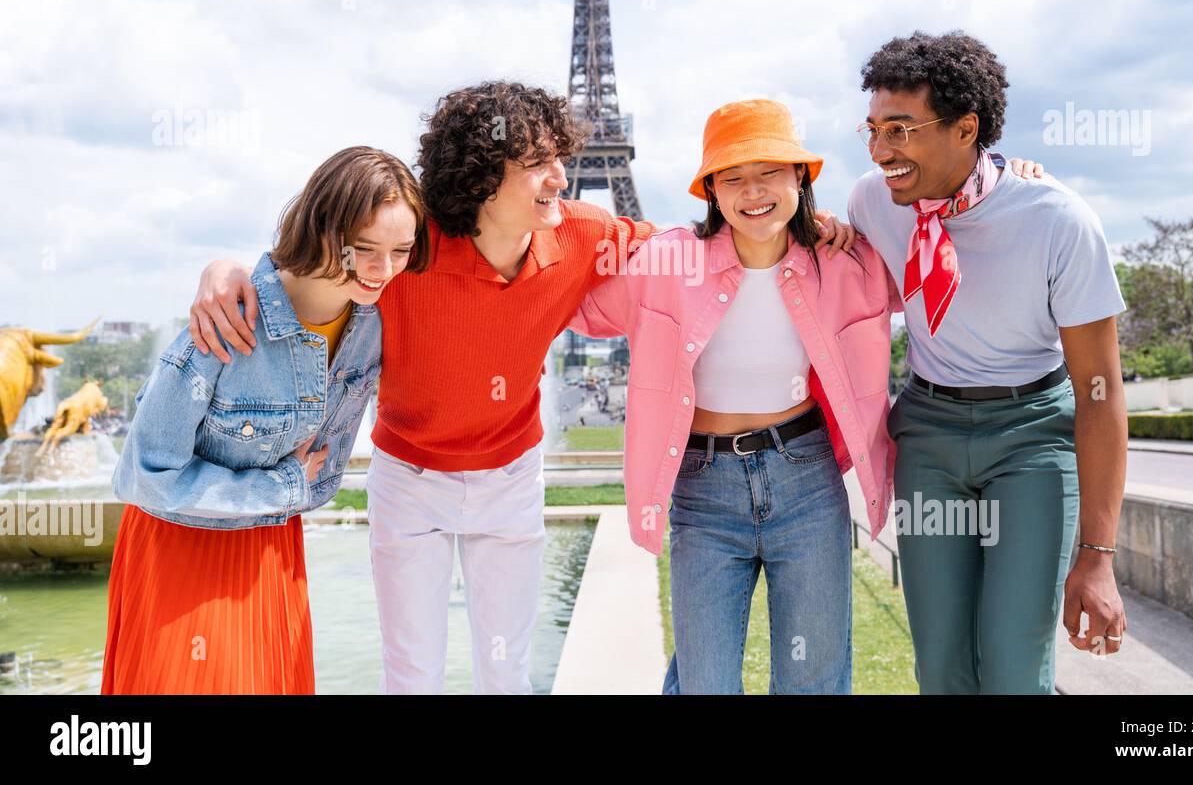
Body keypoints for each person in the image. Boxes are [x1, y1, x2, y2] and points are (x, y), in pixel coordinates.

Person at [187, 81, 855, 694]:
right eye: (539, 163)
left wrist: (797, 228)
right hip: (410, 474)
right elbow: (317, 258)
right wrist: (223, 269)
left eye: (560, 159)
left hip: (509, 475)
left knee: (505, 669)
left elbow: (690, 247)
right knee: (411, 669)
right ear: (482, 174)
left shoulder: (582, 232)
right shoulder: (411, 247)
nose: (560, 177)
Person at [569, 99, 898, 694]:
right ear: (712, 191)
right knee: (705, 682)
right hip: (705, 486)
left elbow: (934, 268)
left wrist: (1002, 171)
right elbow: (575, 304)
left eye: (769, 173)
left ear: (800, 177)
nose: (753, 192)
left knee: (813, 679)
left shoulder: (843, 261)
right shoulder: (665, 264)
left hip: (806, 480)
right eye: (734, 178)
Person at [846, 30, 1129, 694]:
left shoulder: (1056, 220)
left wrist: (1098, 555)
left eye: (900, 130)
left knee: (1012, 666)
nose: (881, 150)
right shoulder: (871, 201)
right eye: (872, 130)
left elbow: (1099, 392)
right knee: (941, 667)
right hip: (929, 438)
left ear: (966, 127)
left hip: (1031, 440)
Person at [102, 146, 428, 694]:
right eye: (364, 249)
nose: (383, 270)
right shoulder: (228, 317)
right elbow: (141, 474)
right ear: (324, 229)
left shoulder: (373, 325)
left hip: (272, 549)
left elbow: (318, 479)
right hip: (181, 549)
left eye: (401, 251)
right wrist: (280, 486)